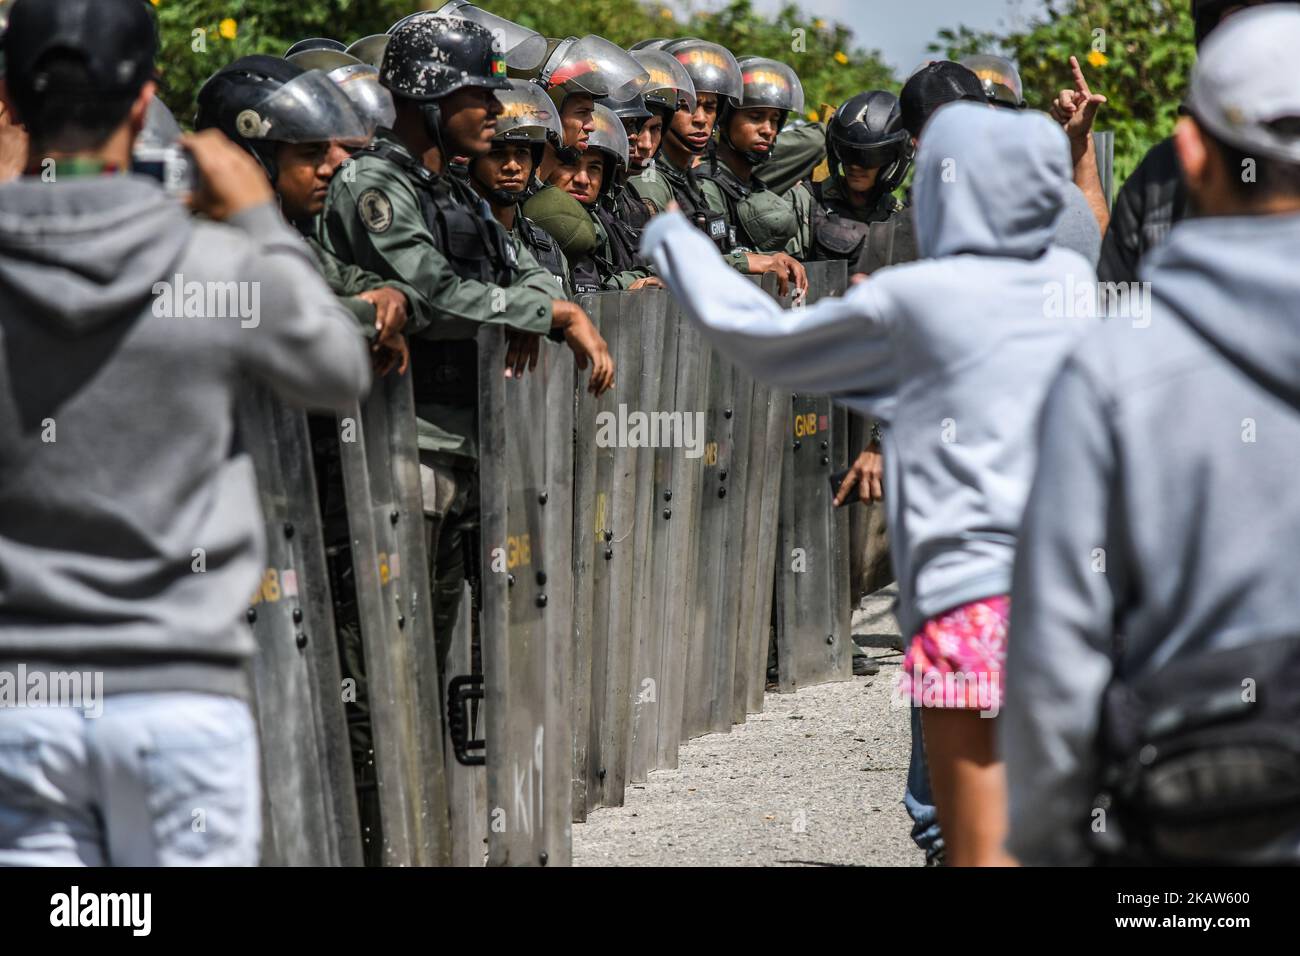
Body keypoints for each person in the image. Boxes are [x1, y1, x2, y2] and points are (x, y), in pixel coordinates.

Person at [643, 101, 1097, 866]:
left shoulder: (919, 300)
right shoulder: (1072, 285)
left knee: (971, 840)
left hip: (966, 603)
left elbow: (768, 346)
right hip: (1072, 601)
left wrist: (673, 244)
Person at [0, 0, 371, 866]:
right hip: (177, 696)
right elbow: (336, 372)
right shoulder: (210, 266)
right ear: (143, 106)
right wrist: (251, 218)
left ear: (13, 99)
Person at [1005, 5, 1300, 866]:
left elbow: (1056, 661)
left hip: (1202, 816)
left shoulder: (1110, 372)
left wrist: (1057, 841)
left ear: (1195, 152)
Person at [316, 14, 613, 676]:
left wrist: (538, 305)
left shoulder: (447, 191)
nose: (495, 110)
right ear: (428, 98)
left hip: (457, 447)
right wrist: (550, 317)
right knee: (378, 673)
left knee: (427, 663)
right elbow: (430, 292)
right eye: (476, 95)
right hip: (394, 446)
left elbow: (522, 263)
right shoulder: (373, 186)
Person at [1096, 0, 1298, 283]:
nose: (1253, 43)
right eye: (1237, 25)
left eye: (1265, 20)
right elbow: (1112, 302)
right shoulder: (1160, 174)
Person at [628, 37, 806, 295]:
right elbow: (658, 268)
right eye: (686, 107)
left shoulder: (689, 182)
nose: (700, 119)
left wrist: (770, 257)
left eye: (710, 107)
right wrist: (749, 262)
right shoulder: (649, 181)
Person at [962, 53, 1109, 239]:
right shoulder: (936, 192)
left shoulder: (1038, 192)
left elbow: (1092, 240)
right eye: (976, 116)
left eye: (1001, 117)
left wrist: (1080, 140)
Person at [695, 56, 818, 259]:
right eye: (756, 117)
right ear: (725, 119)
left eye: (775, 119)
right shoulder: (705, 186)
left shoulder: (751, 185)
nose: (768, 130)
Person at [467, 77, 573, 296]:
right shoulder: (451, 234)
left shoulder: (546, 246)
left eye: (522, 153)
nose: (512, 166)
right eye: (497, 154)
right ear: (473, 160)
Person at [550, 103, 659, 291]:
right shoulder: (541, 218)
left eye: (594, 168)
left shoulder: (610, 218)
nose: (582, 180)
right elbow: (584, 293)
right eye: (570, 164)